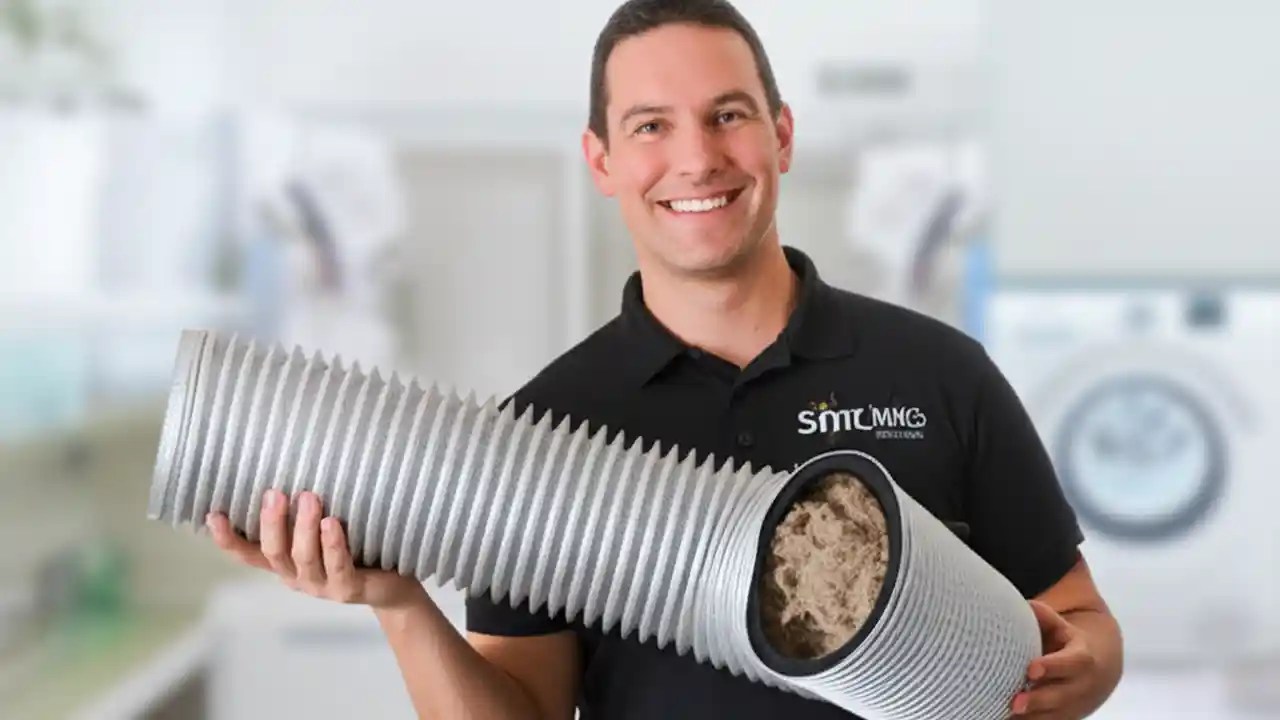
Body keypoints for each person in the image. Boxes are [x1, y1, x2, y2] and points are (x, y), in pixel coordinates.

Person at [207, 1, 1125, 717]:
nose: (696, 158)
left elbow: (1085, 624)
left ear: (782, 135)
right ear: (601, 160)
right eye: (650, 126)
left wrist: (1080, 676)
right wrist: (400, 604)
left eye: (727, 115)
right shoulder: (544, 433)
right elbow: (519, 710)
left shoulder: (940, 374)